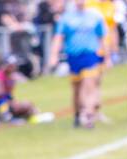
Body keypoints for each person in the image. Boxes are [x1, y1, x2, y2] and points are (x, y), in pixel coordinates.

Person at [49, 0, 105, 128]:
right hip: (74, 57)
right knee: (77, 89)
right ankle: (77, 113)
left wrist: (106, 57)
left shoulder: (94, 16)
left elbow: (101, 36)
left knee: (89, 84)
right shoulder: (66, 18)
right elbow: (59, 37)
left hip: (90, 56)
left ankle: (88, 115)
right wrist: (54, 55)